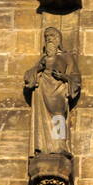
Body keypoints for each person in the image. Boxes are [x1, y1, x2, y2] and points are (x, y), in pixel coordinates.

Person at [23, 27, 80, 159]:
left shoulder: (67, 57)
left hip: (58, 91)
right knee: (44, 119)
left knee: (58, 116)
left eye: (52, 36)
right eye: (47, 36)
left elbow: (76, 78)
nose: (49, 38)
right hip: (42, 91)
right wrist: (39, 68)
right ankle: (44, 147)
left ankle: (60, 146)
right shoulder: (43, 59)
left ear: (58, 39)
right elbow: (28, 77)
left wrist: (64, 77)